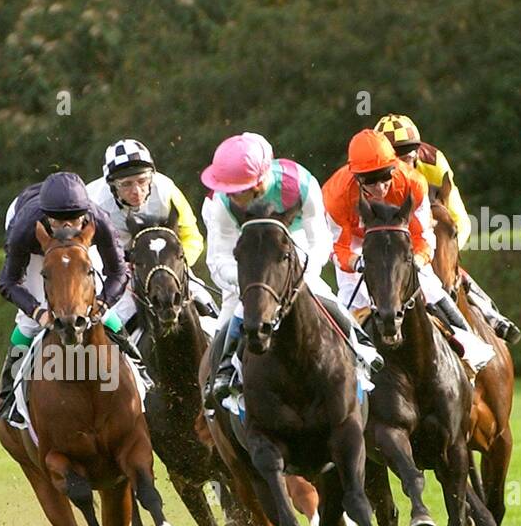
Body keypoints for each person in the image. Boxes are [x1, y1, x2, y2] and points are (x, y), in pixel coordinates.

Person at [199, 132, 383, 408]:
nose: (233, 197)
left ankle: (361, 349)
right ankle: (221, 375)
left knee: (322, 294)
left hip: (290, 238)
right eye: (229, 191)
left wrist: (297, 278)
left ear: (260, 181)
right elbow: (217, 260)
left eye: (240, 191)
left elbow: (320, 241)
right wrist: (252, 285)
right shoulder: (219, 204)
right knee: (231, 312)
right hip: (246, 251)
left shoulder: (301, 184)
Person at [323, 129, 495, 369]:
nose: (380, 187)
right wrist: (357, 263)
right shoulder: (336, 194)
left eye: (385, 176)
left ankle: (472, 349)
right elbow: (337, 247)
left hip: (401, 242)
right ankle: (344, 369)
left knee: (430, 285)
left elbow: (423, 236)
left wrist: (416, 260)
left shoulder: (413, 183)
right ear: (355, 176)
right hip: (359, 243)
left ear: (394, 167)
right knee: (351, 299)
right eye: (370, 180)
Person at [0, 171, 141, 420]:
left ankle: (138, 367)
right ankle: (9, 393)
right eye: (59, 223)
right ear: (47, 217)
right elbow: (8, 282)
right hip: (37, 246)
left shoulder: (98, 220)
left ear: (85, 215)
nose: (66, 229)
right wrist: (37, 311)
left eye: (73, 221)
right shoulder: (24, 228)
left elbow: (117, 271)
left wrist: (103, 304)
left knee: (100, 311)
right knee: (29, 323)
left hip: (80, 248)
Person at [374, 114, 521, 343]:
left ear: (416, 153)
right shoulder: (370, 173)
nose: (404, 168)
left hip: (432, 229)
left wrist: (446, 251)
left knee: (445, 256)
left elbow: (457, 218)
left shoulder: (434, 164)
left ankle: (490, 315)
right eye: (396, 162)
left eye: (408, 158)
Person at [85, 138, 219, 329]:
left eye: (142, 181)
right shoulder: (95, 203)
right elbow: (88, 251)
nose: (136, 191)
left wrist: (173, 264)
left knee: (203, 299)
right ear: (112, 186)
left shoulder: (166, 191)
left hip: (165, 262)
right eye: (126, 184)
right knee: (117, 315)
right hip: (114, 266)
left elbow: (192, 237)